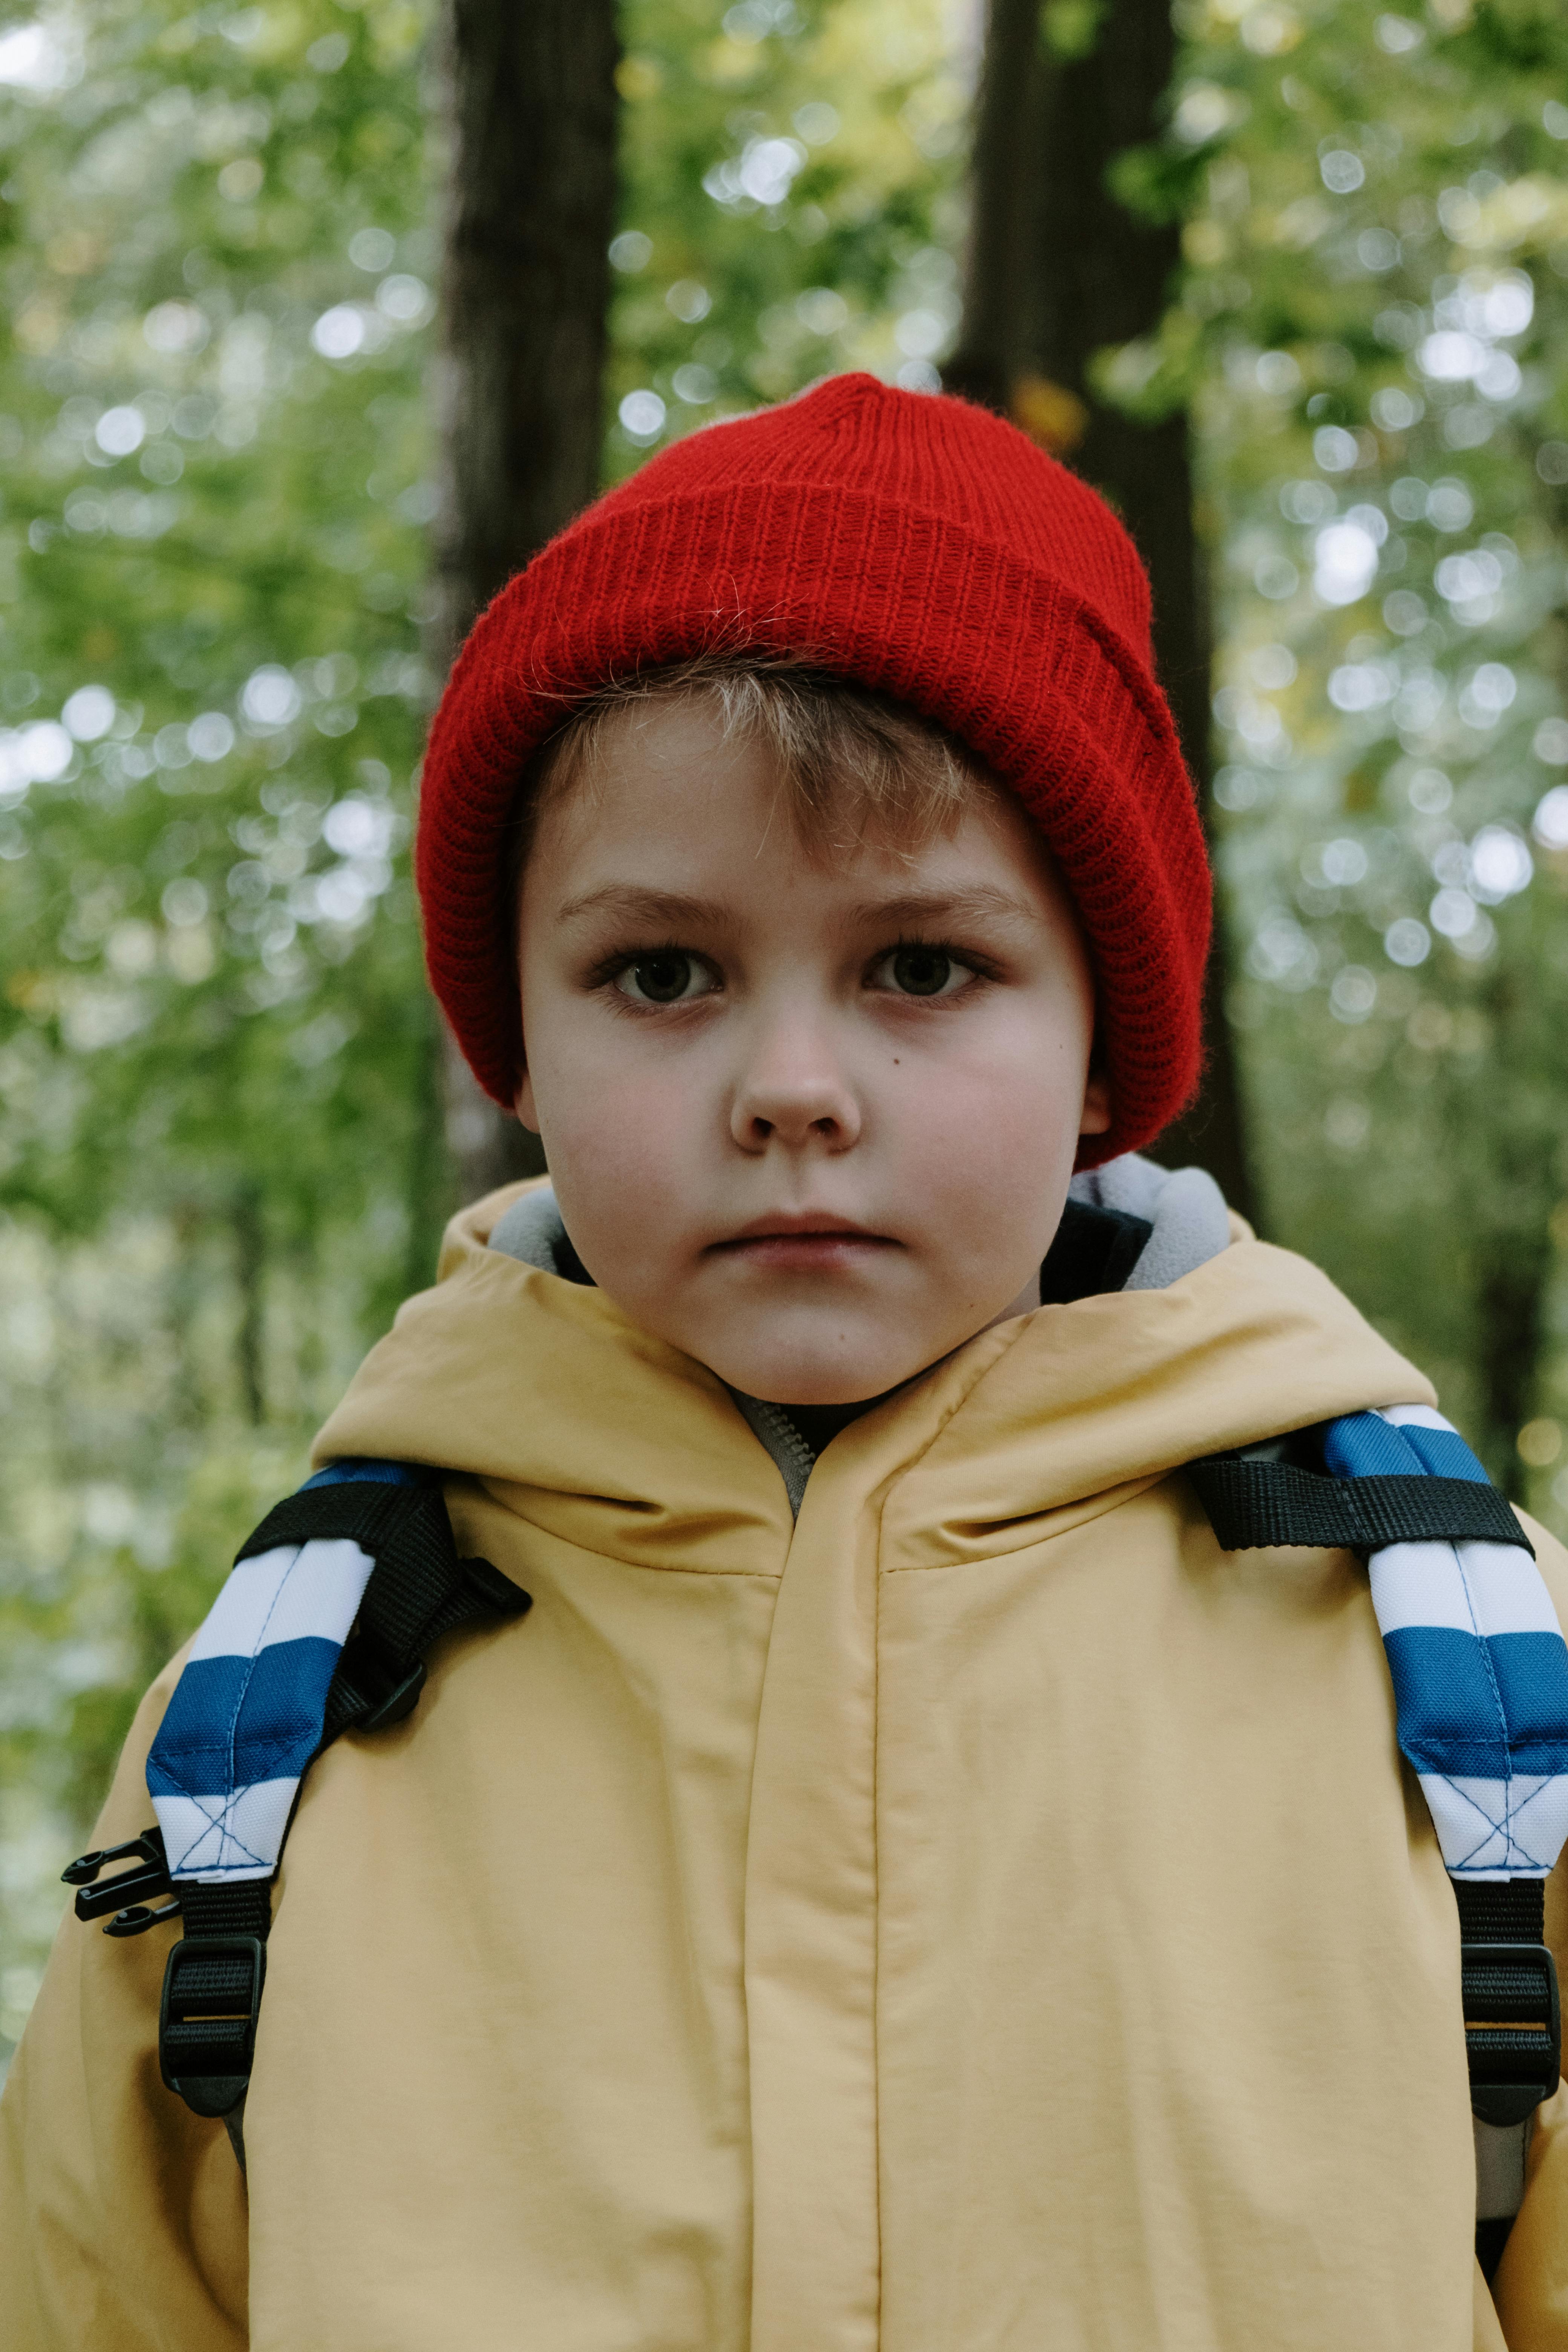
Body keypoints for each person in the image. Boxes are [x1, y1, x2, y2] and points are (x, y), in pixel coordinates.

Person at [3, 372, 1566, 2351]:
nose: (794, 1089)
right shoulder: (280, 1703)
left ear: (1106, 1042)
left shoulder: (1462, 1666)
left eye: (923, 966)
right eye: (663, 973)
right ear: (519, 1046)